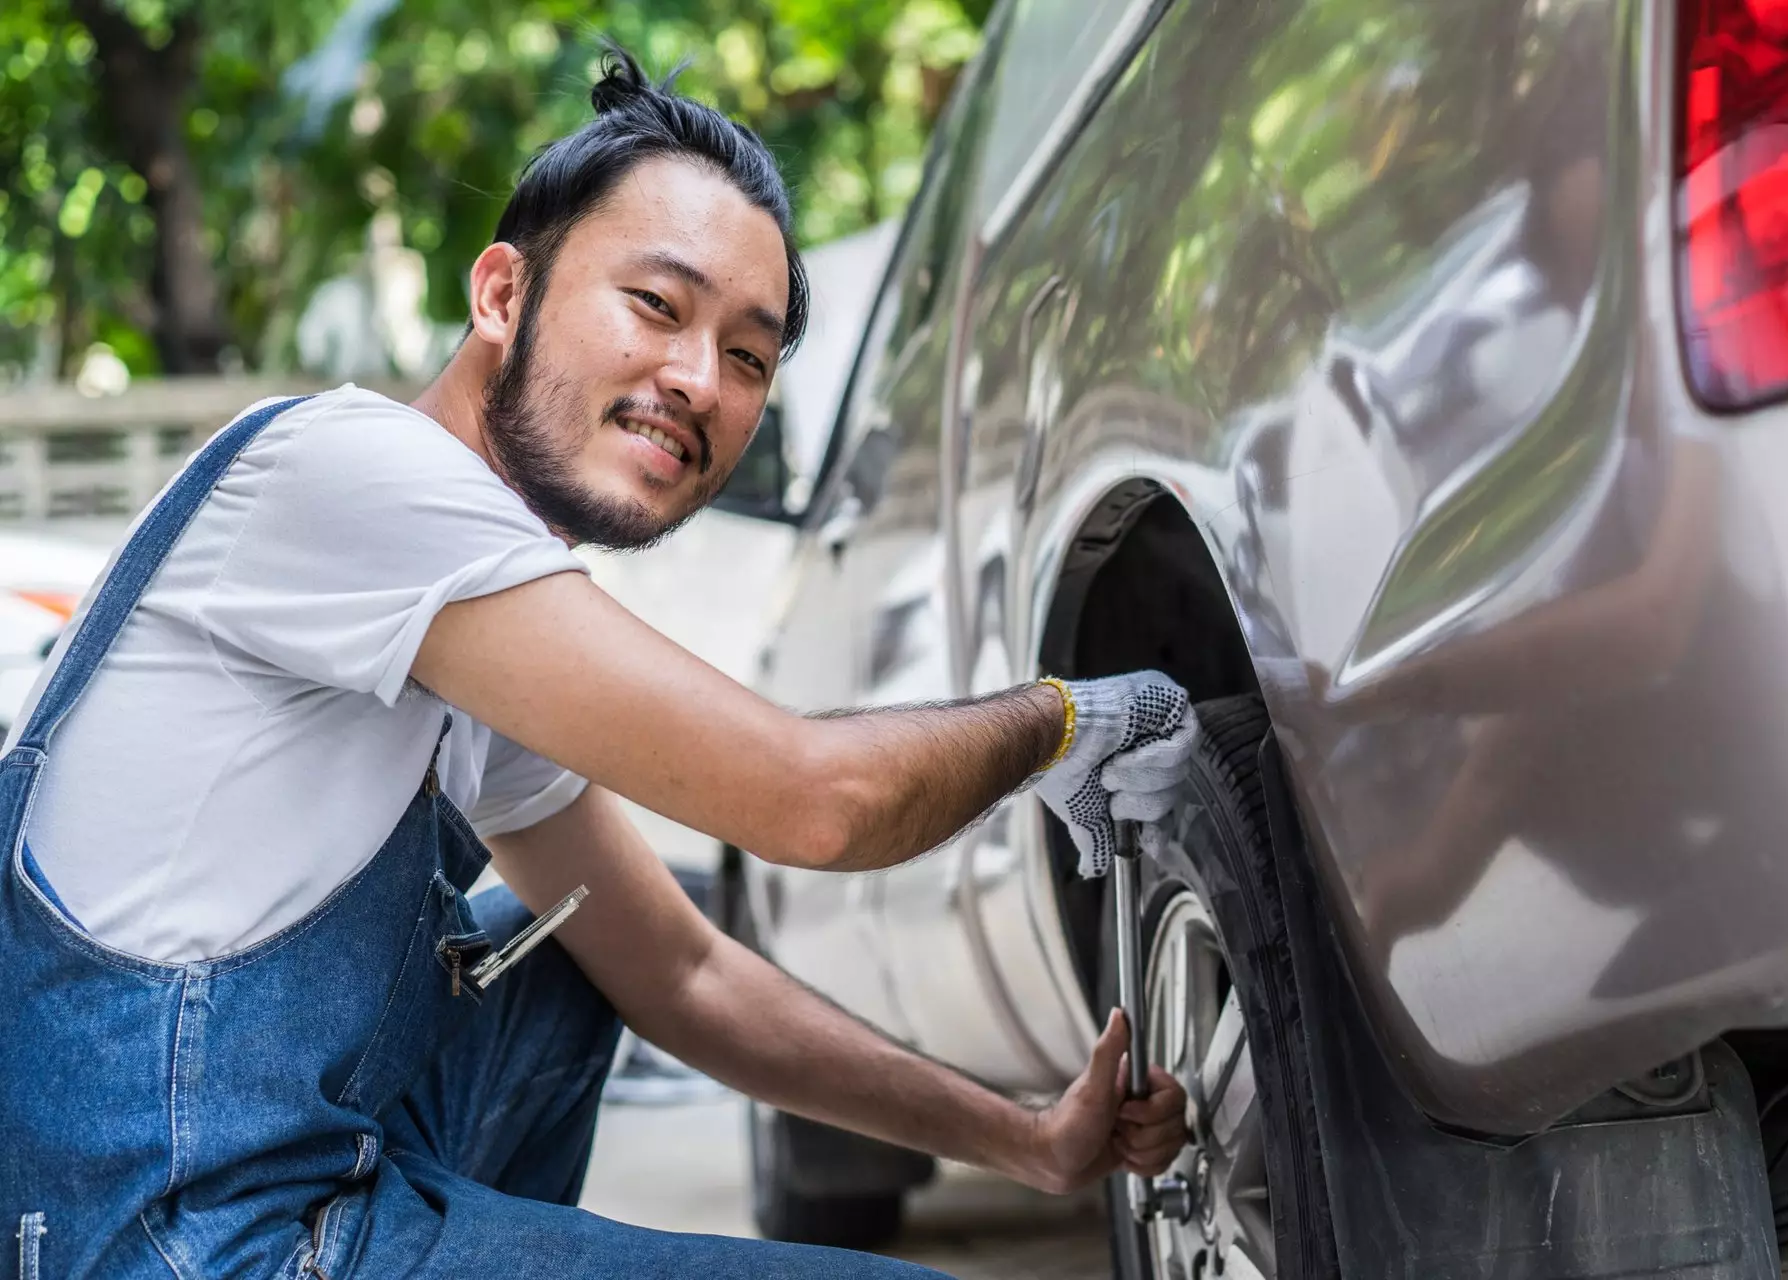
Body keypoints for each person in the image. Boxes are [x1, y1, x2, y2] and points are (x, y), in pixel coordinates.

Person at [0, 52, 1195, 1280]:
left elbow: (683, 970)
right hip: (173, 1242)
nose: (698, 382)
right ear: (502, 295)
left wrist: (1034, 1140)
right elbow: (812, 798)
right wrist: (1062, 719)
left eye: (748, 355)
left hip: (292, 1189)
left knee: (565, 934)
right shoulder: (355, 476)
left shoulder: (479, 618)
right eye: (658, 306)